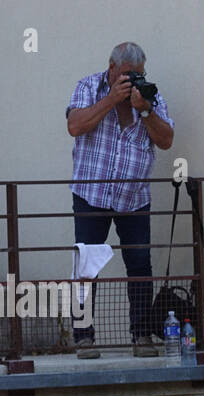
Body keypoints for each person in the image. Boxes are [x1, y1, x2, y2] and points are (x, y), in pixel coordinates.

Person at [66, 41, 175, 359]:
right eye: (128, 75)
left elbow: (166, 140)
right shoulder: (88, 86)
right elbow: (75, 125)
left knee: (140, 265)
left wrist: (145, 109)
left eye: (139, 74)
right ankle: (83, 337)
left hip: (134, 196)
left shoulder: (149, 95)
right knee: (86, 266)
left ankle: (142, 336)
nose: (134, 81)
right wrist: (111, 100)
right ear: (112, 69)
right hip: (92, 194)